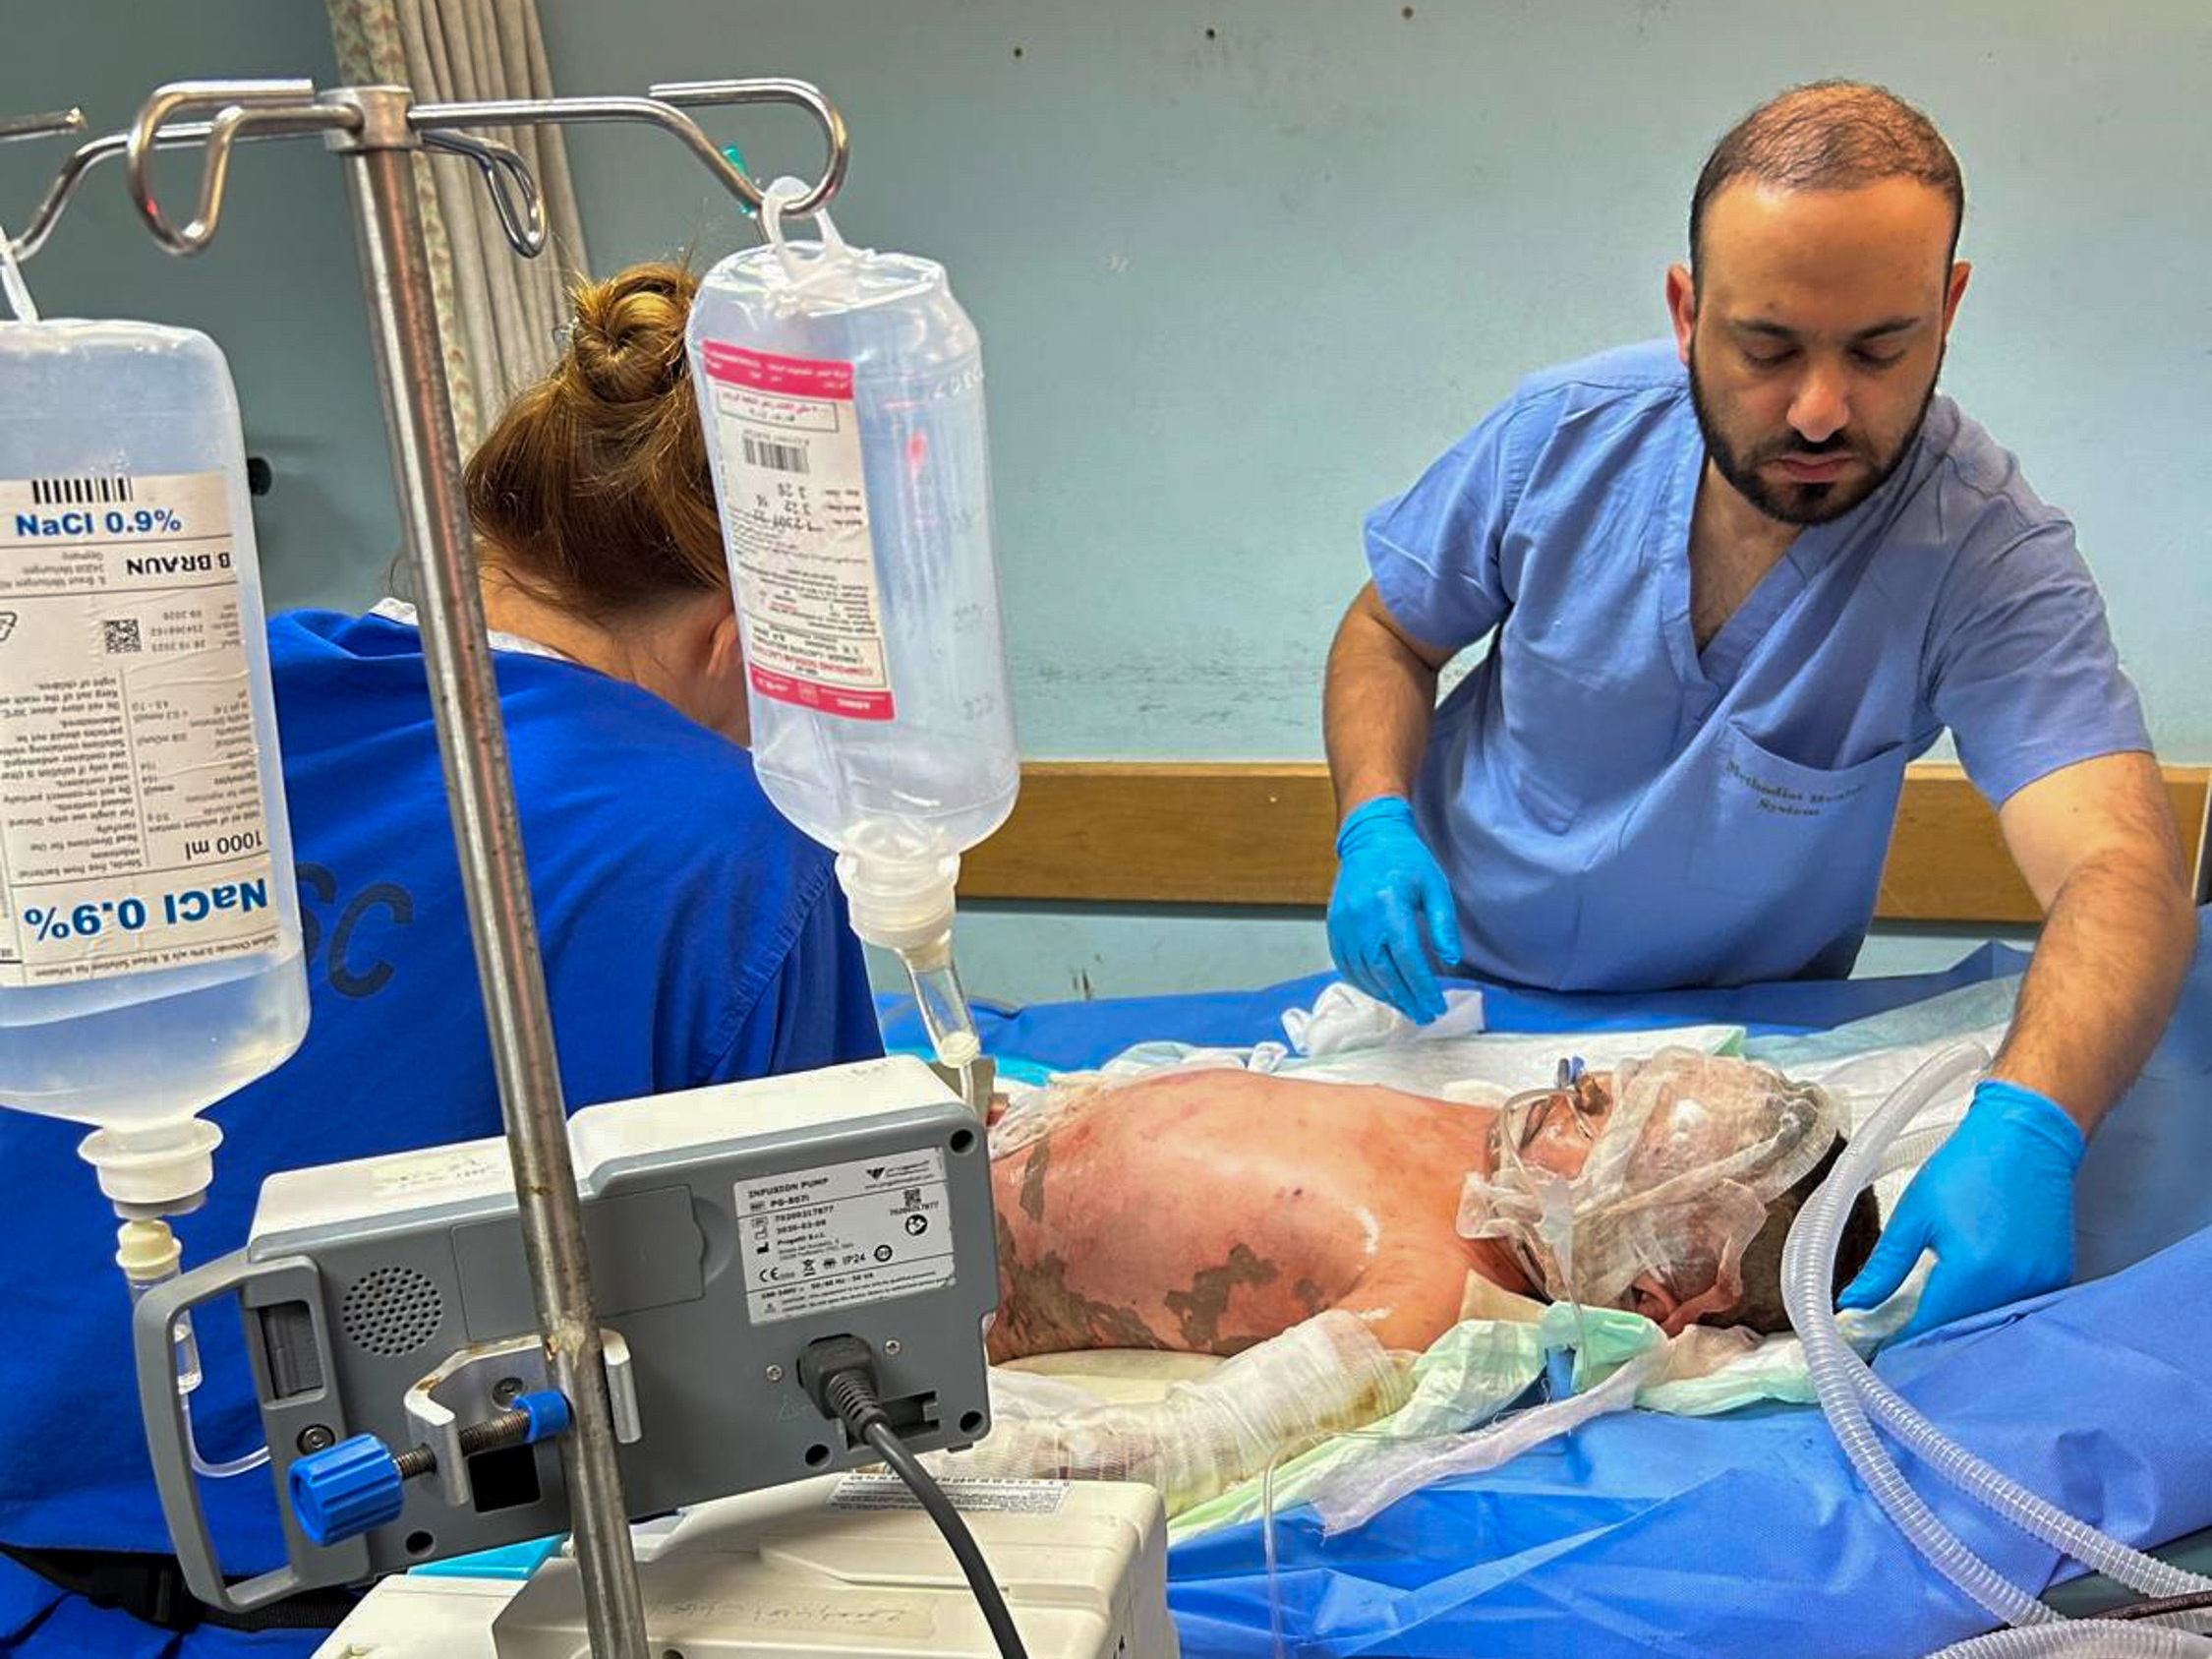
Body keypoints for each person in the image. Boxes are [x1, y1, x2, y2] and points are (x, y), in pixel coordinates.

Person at [0, 264, 883, 1653]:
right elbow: (815, 1371)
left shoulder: (207, 695)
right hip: (349, 1598)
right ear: (736, 637)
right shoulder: (726, 853)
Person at [1320, 82, 2194, 1343]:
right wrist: (1375, 823)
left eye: (1881, 350)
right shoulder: (1558, 441)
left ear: (1948, 310)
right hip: (1453, 1003)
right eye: (1769, 347)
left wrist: (2032, 1122)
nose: (1821, 409)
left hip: (1728, 1069)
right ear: (1687, 314)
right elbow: (1387, 633)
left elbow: (2118, 865)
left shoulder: (1984, 553)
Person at [987, 1049, 1881, 1360]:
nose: (1579, 1085)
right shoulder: (1499, 1148)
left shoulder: (1436, 1287)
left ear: (1644, 1294)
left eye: (1601, 1118)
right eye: (1613, 1082)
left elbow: (1199, 1440)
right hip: (1004, 1118)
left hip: (967, 1272)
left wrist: (1019, 1458)